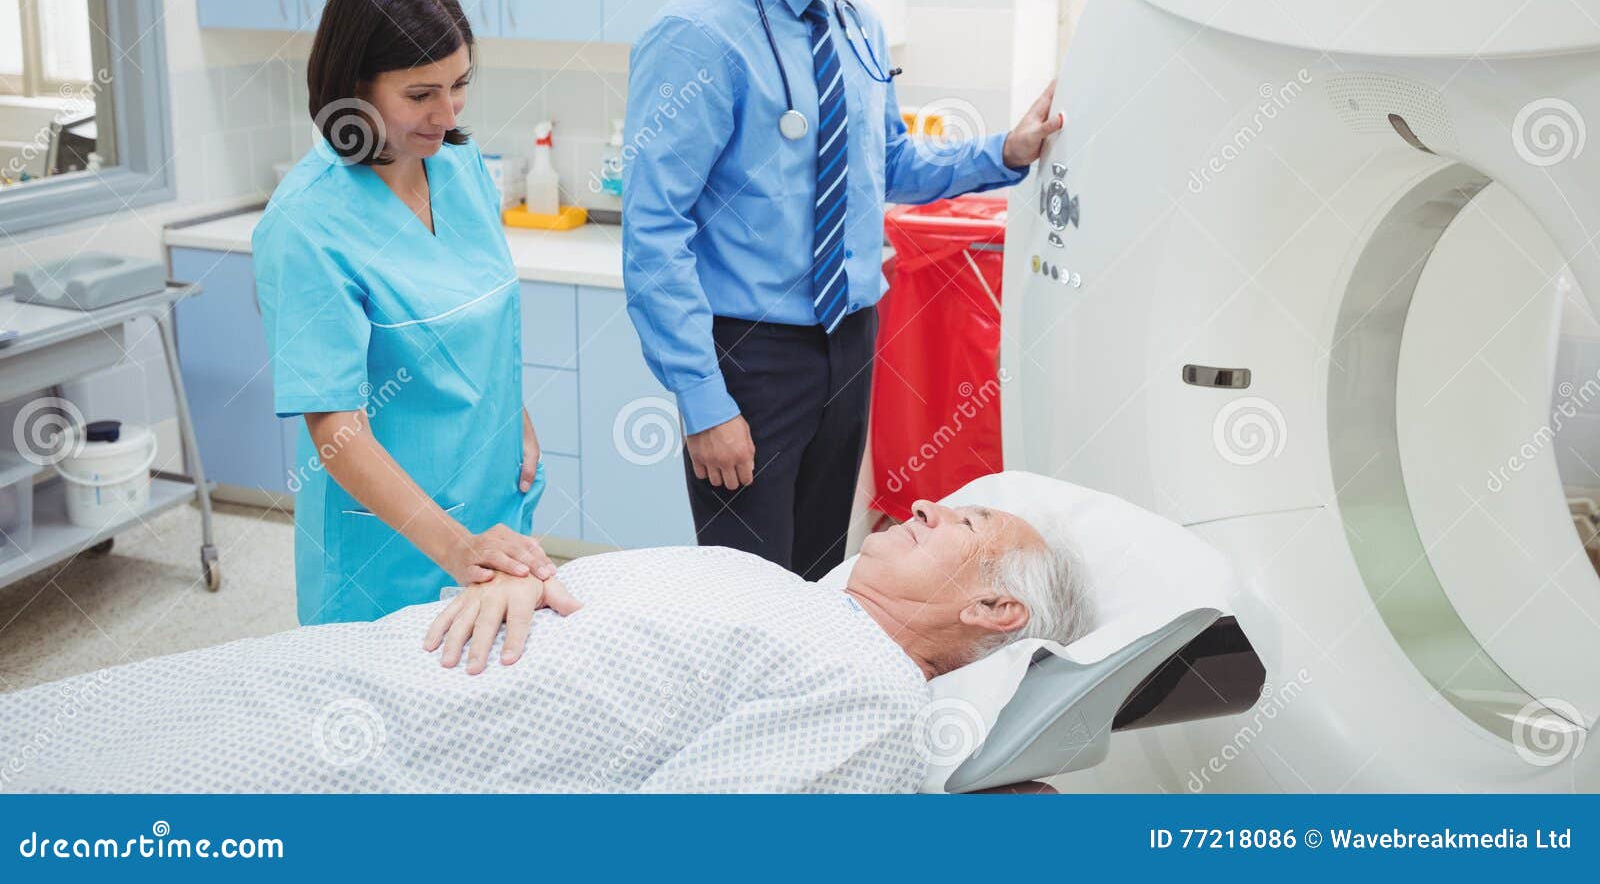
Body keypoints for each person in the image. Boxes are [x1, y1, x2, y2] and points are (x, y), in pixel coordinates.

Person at [623, 0, 1062, 579]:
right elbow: (655, 227)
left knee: (822, 573)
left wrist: (1005, 151)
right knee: (746, 590)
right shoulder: (700, 31)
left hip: (852, 339)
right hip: (751, 354)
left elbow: (888, 163)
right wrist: (703, 398)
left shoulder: (857, 25)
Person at [0, 501, 1089, 793]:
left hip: (412, 750)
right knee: (106, 710)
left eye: (968, 527)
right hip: (384, 662)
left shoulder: (869, 698)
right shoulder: (792, 592)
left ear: (993, 613)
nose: (931, 501)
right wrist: (523, 568)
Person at [252, 0, 559, 626]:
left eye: (459, 86)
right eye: (421, 94)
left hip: (494, 507)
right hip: (391, 548)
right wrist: (458, 547)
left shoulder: (460, 165)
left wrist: (518, 419)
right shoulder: (307, 224)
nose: (446, 116)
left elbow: (481, 315)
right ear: (353, 87)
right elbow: (335, 426)